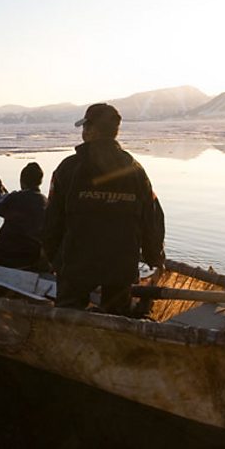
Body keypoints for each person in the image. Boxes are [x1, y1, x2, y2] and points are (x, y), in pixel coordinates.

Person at [41, 103, 165, 314]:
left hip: (76, 264)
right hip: (121, 265)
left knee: (68, 316)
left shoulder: (68, 169)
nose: (83, 131)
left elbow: (52, 220)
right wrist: (154, 257)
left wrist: (53, 258)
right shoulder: (136, 171)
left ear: (91, 130)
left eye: (85, 127)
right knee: (117, 317)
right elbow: (152, 220)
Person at [0, 162, 48, 270]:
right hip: (31, 256)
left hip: (5, 254)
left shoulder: (14, 198)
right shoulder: (45, 202)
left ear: (22, 181)